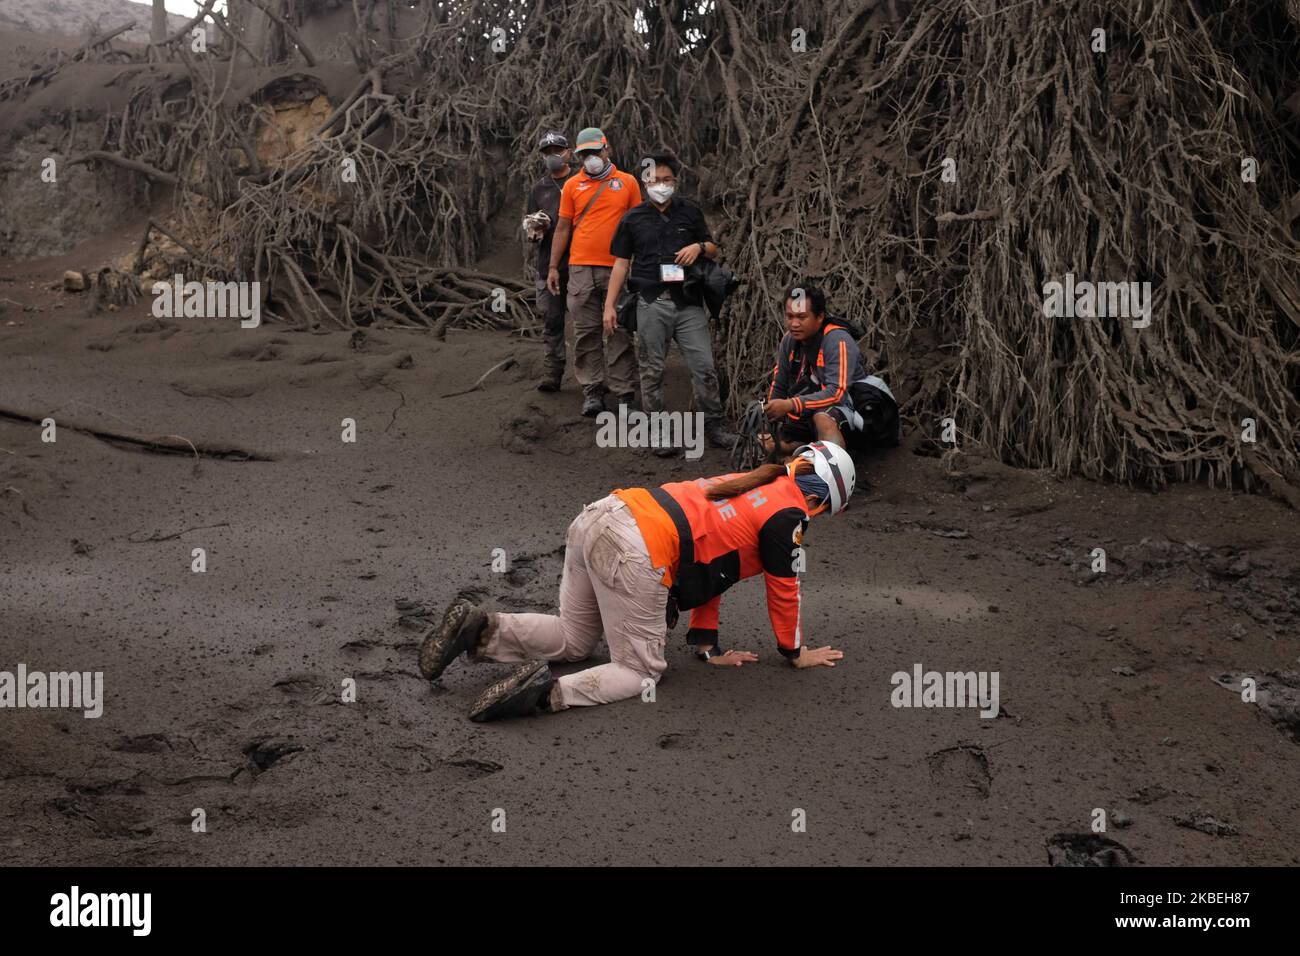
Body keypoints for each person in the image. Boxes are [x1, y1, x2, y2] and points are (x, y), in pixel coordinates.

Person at [417, 441, 857, 721]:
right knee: (641, 673)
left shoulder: (750, 481)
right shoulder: (789, 517)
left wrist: (707, 647)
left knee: (574, 638)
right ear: (821, 504)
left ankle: (479, 629)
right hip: (636, 547)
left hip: (602, 514)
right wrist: (795, 653)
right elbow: (784, 588)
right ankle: (542, 693)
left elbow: (719, 566)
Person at [604, 150, 737, 456]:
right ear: (645, 181)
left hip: (688, 301)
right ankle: (658, 431)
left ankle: (714, 425)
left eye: (667, 179)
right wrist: (610, 305)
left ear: (675, 181)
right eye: (654, 179)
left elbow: (713, 248)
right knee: (651, 369)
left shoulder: (689, 211)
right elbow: (621, 264)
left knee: (704, 365)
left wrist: (698, 246)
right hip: (651, 301)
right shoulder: (632, 218)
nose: (661, 184)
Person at [545, 127, 642, 417]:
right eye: (584, 154)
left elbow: (637, 224)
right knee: (586, 332)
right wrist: (553, 266)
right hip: (580, 268)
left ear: (606, 149)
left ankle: (624, 392)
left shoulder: (627, 183)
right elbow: (562, 228)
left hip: (618, 267)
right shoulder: (573, 186)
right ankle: (592, 391)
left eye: (594, 152)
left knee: (620, 330)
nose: (590, 158)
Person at [763, 284, 899, 455]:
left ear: (820, 317)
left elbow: (837, 393)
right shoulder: (789, 341)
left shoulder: (837, 340)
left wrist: (791, 404)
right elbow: (780, 383)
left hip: (855, 406)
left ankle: (835, 472)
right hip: (817, 400)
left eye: (801, 317)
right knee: (766, 443)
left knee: (822, 418)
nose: (794, 324)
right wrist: (769, 414)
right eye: (789, 316)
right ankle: (802, 450)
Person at [522, 130, 575, 392]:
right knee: (552, 320)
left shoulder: (580, 182)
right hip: (548, 265)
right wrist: (534, 230)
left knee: (589, 322)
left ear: (569, 152)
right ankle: (552, 373)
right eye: (547, 152)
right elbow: (531, 228)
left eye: (557, 150)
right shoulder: (539, 188)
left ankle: (594, 382)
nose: (553, 156)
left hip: (579, 264)